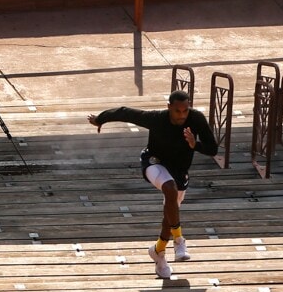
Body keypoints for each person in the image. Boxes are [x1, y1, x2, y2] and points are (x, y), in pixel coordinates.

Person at [88, 90, 218, 279]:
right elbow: (126, 112)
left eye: (185, 111)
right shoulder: (157, 118)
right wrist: (101, 119)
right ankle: (180, 240)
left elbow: (213, 148)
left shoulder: (196, 118)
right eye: (177, 111)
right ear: (169, 108)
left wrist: (194, 145)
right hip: (154, 162)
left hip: (179, 170)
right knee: (169, 188)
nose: (182, 115)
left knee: (169, 215)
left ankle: (158, 252)